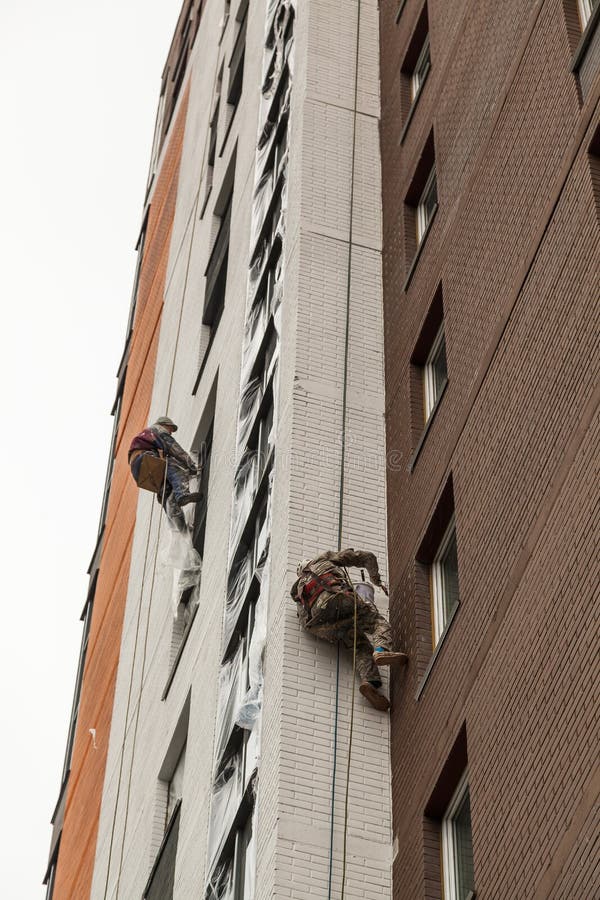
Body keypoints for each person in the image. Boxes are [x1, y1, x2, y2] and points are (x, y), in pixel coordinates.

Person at [290, 549, 408, 711]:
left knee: (359, 646)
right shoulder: (322, 561)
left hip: (324, 624)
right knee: (376, 622)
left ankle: (370, 682)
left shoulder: (299, 591)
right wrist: (375, 579)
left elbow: (305, 622)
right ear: (310, 563)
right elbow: (366, 557)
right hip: (339, 599)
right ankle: (381, 650)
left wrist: (326, 631)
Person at [128, 417, 201, 531]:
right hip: (145, 458)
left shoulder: (148, 435)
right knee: (176, 467)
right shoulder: (158, 429)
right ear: (164, 424)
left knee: (167, 494)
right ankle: (183, 495)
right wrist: (191, 465)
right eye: (170, 429)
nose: (171, 433)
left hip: (138, 469)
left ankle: (180, 529)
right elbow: (175, 450)